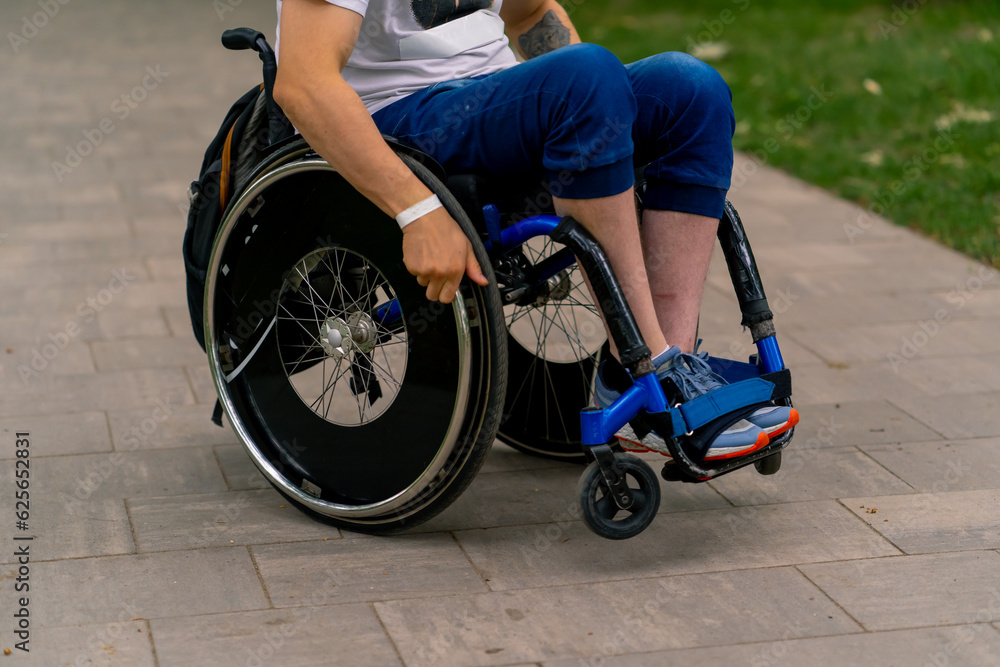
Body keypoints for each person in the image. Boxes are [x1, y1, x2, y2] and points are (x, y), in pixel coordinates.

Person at [273, 0, 797, 459]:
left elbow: (529, 13)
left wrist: (601, 113)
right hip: (399, 117)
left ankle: (669, 370)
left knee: (690, 88)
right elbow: (304, 82)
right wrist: (417, 211)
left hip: (491, 100)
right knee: (587, 77)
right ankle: (649, 366)